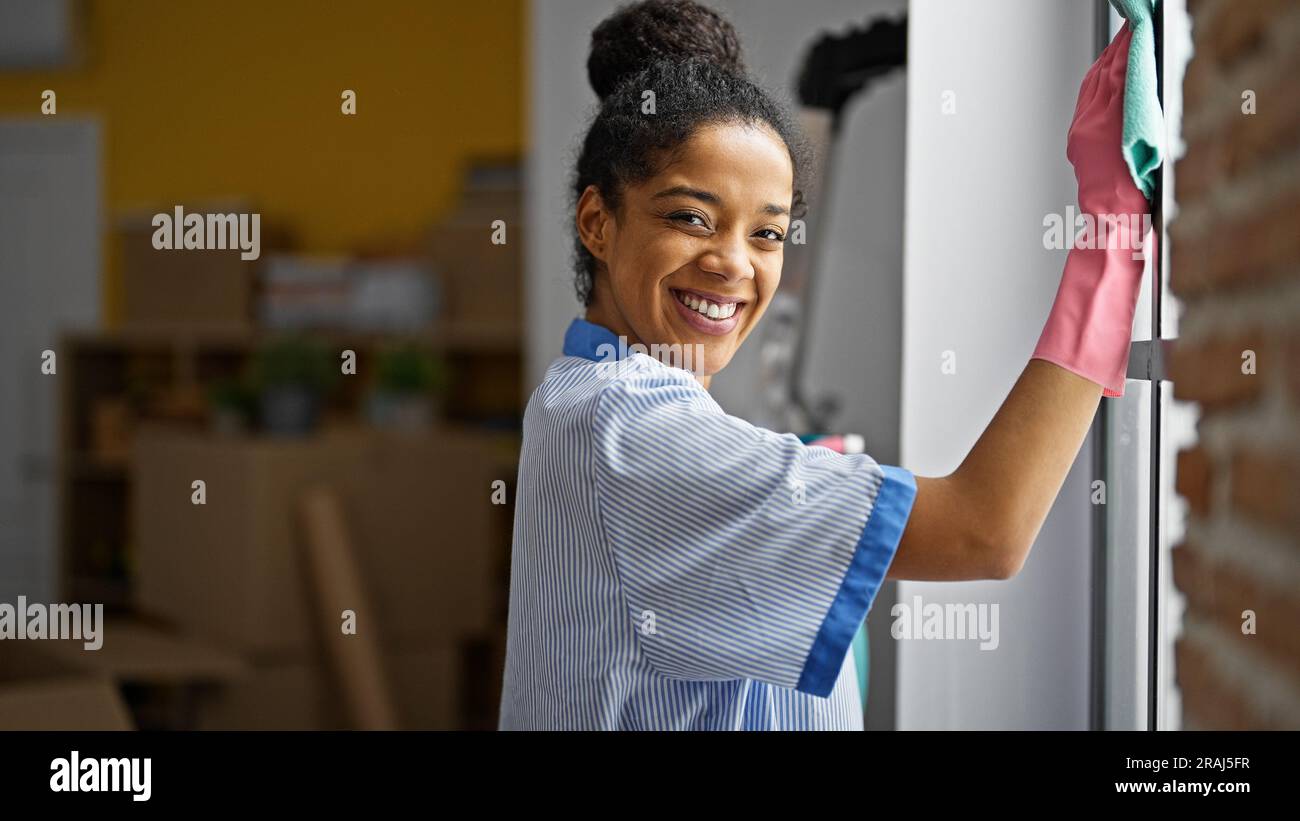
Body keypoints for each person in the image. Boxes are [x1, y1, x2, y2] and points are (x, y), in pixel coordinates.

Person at [498, 0, 1148, 730]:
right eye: (689, 217)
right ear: (597, 221)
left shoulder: (579, 399)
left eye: (768, 232)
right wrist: (1111, 237)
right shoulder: (631, 434)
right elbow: (985, 527)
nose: (732, 264)